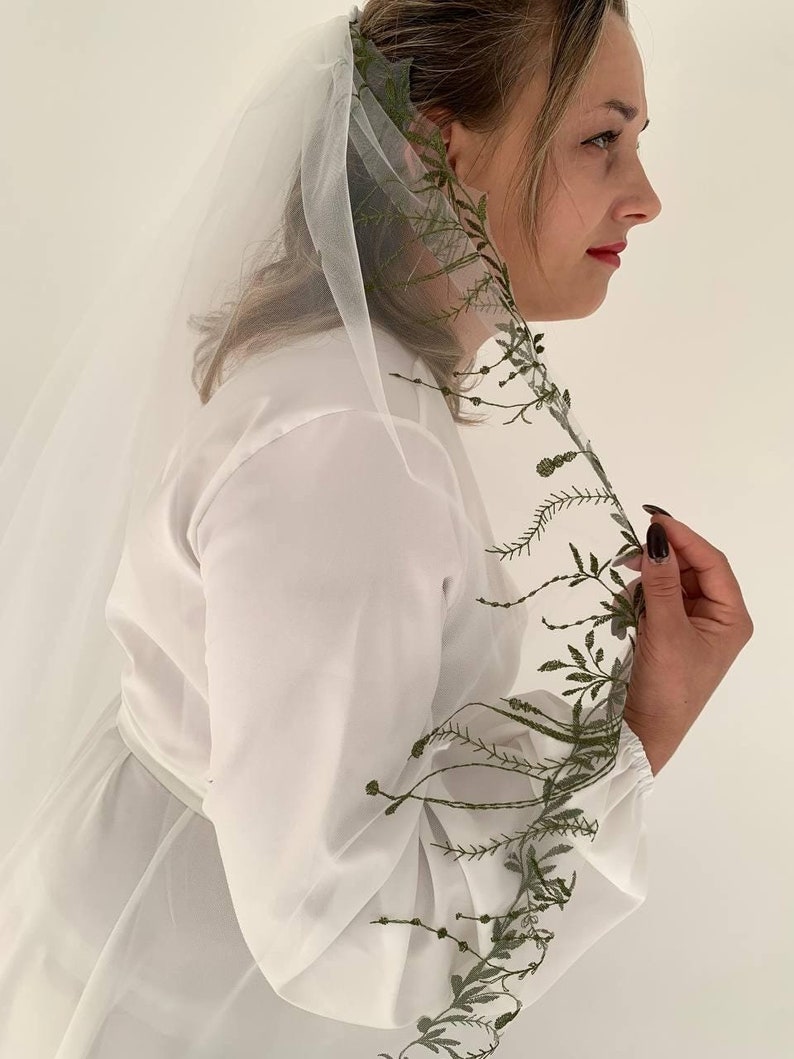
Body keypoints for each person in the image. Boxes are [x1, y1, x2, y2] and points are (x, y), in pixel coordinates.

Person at [0, 3, 753, 1056]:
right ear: (440, 151)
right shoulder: (348, 440)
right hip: (182, 1011)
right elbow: (338, 924)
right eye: (599, 137)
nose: (644, 196)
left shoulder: (363, 393)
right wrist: (639, 725)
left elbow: (376, 781)